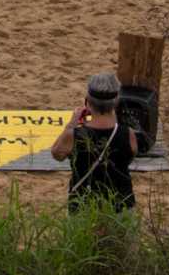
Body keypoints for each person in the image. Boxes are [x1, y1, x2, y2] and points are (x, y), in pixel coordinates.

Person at [47, 71, 139, 211]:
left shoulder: (74, 136)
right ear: (116, 103)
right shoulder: (128, 134)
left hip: (83, 207)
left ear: (88, 102)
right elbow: (130, 158)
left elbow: (56, 154)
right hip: (121, 206)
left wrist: (72, 124)